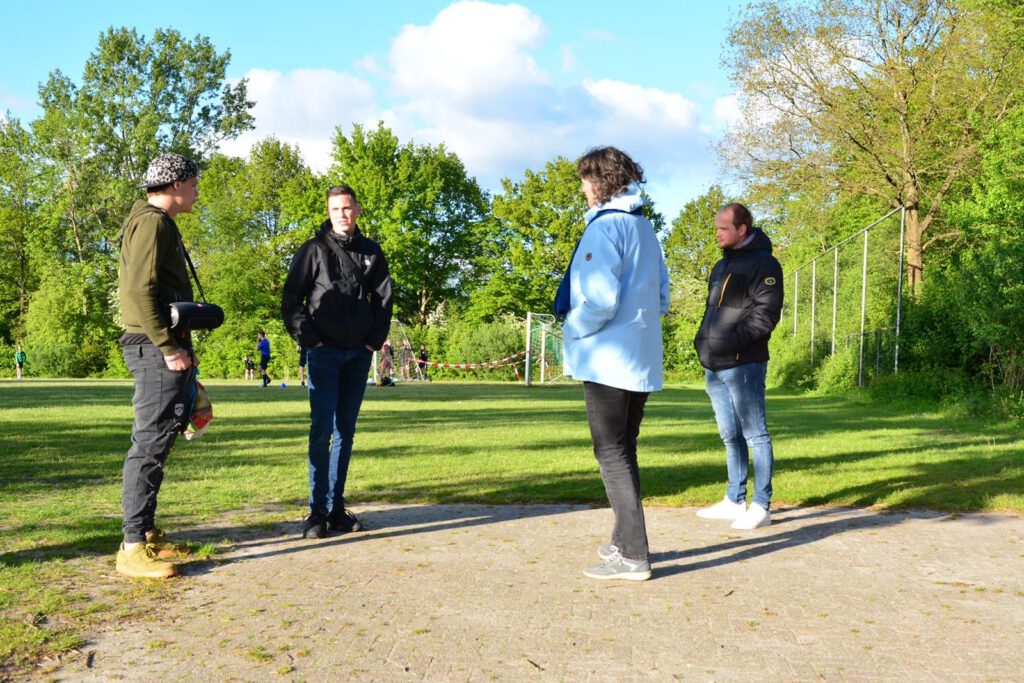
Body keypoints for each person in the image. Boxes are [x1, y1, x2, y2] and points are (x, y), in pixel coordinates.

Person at [561, 146, 670, 581]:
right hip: (639, 358)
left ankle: (633, 555)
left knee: (611, 454)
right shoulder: (645, 230)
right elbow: (662, 294)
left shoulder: (604, 229)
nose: (583, 190)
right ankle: (625, 541)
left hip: (607, 359)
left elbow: (598, 300)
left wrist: (574, 328)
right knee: (624, 451)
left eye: (586, 181)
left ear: (601, 182)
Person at [281, 184, 393, 539]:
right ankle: (316, 513)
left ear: (357, 210)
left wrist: (372, 342)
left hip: (358, 355)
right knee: (321, 431)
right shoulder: (312, 251)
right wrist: (310, 339)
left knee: (345, 431)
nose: (342, 215)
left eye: (347, 208)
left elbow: (384, 301)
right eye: (335, 210)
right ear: (328, 213)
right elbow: (291, 300)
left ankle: (335, 508)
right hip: (324, 353)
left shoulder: (372, 253)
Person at [115, 152, 202, 578]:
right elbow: (138, 291)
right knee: (149, 442)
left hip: (158, 344)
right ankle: (132, 548)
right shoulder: (151, 221)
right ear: (175, 185)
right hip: (152, 347)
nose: (196, 191)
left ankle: (145, 534)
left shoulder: (153, 221)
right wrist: (168, 346)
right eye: (193, 183)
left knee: (161, 438)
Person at [694, 202, 783, 530]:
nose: (717, 233)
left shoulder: (765, 264)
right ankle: (734, 500)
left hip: (743, 363)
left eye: (723, 228)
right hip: (714, 364)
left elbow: (766, 316)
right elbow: (712, 313)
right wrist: (702, 342)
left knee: (755, 434)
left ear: (741, 229)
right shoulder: (721, 266)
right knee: (729, 434)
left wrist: (730, 345)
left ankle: (762, 505)